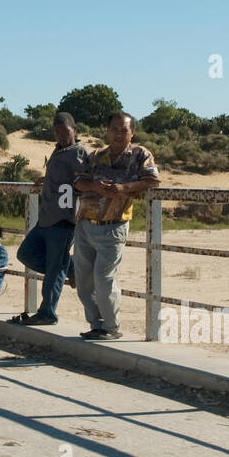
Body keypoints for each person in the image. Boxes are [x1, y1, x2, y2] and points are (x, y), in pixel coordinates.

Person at [70, 111, 161, 340]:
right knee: (84, 281)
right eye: (115, 129)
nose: (119, 134)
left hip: (114, 225)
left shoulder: (141, 154)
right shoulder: (96, 156)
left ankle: (111, 327)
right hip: (85, 223)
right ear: (107, 131)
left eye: (124, 130)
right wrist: (94, 186)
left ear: (132, 132)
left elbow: (153, 180)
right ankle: (96, 324)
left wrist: (125, 188)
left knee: (104, 279)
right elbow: (77, 182)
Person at [9, 111, 88, 326]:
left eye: (66, 132)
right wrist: (47, 178)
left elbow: (83, 180)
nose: (63, 136)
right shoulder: (58, 151)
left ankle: (47, 313)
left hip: (63, 221)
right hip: (45, 220)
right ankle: (73, 271)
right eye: (59, 133)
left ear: (75, 130)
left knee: (54, 269)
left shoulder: (78, 153)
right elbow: (64, 176)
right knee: (26, 253)